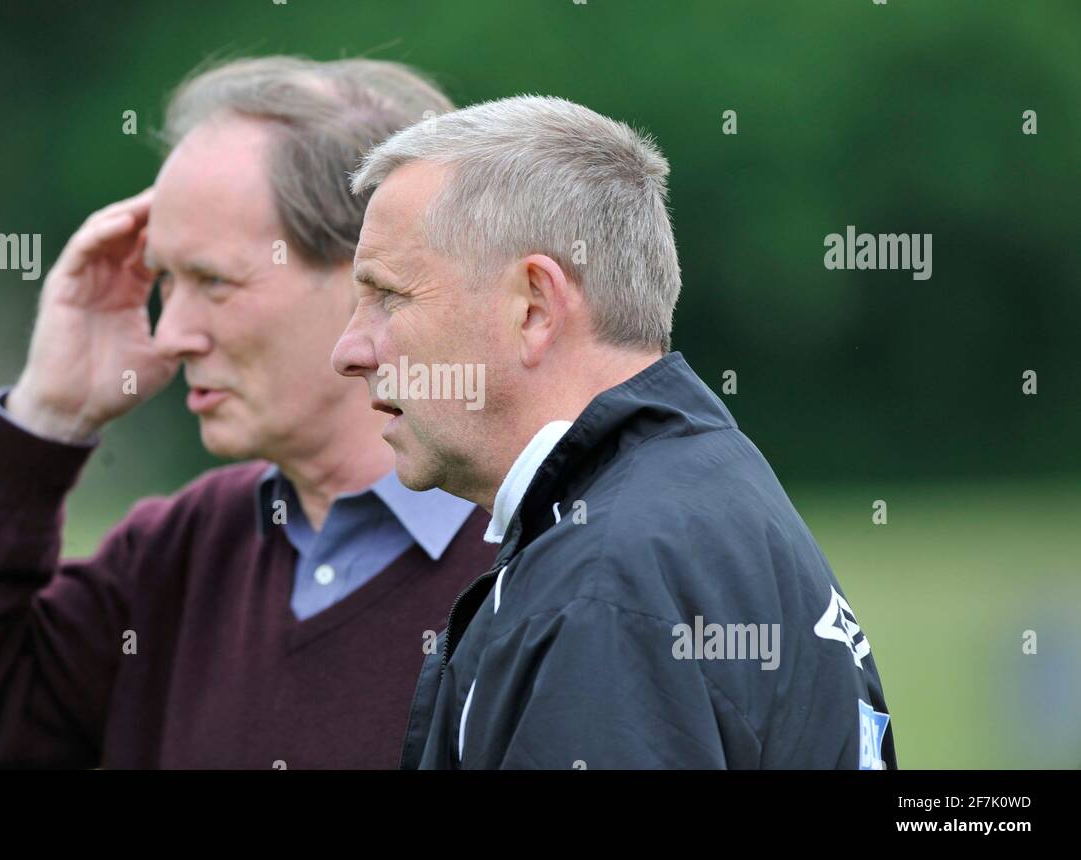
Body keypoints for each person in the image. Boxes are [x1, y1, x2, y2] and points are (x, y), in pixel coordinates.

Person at [0, 56, 497, 769]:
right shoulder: (179, 555)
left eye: (213, 281)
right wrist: (44, 420)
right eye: (164, 281)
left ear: (369, 276)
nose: (168, 333)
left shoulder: (540, 559)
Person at [332, 95, 897, 769]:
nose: (349, 350)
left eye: (389, 296)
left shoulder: (604, 586)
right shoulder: (711, 492)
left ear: (534, 307)